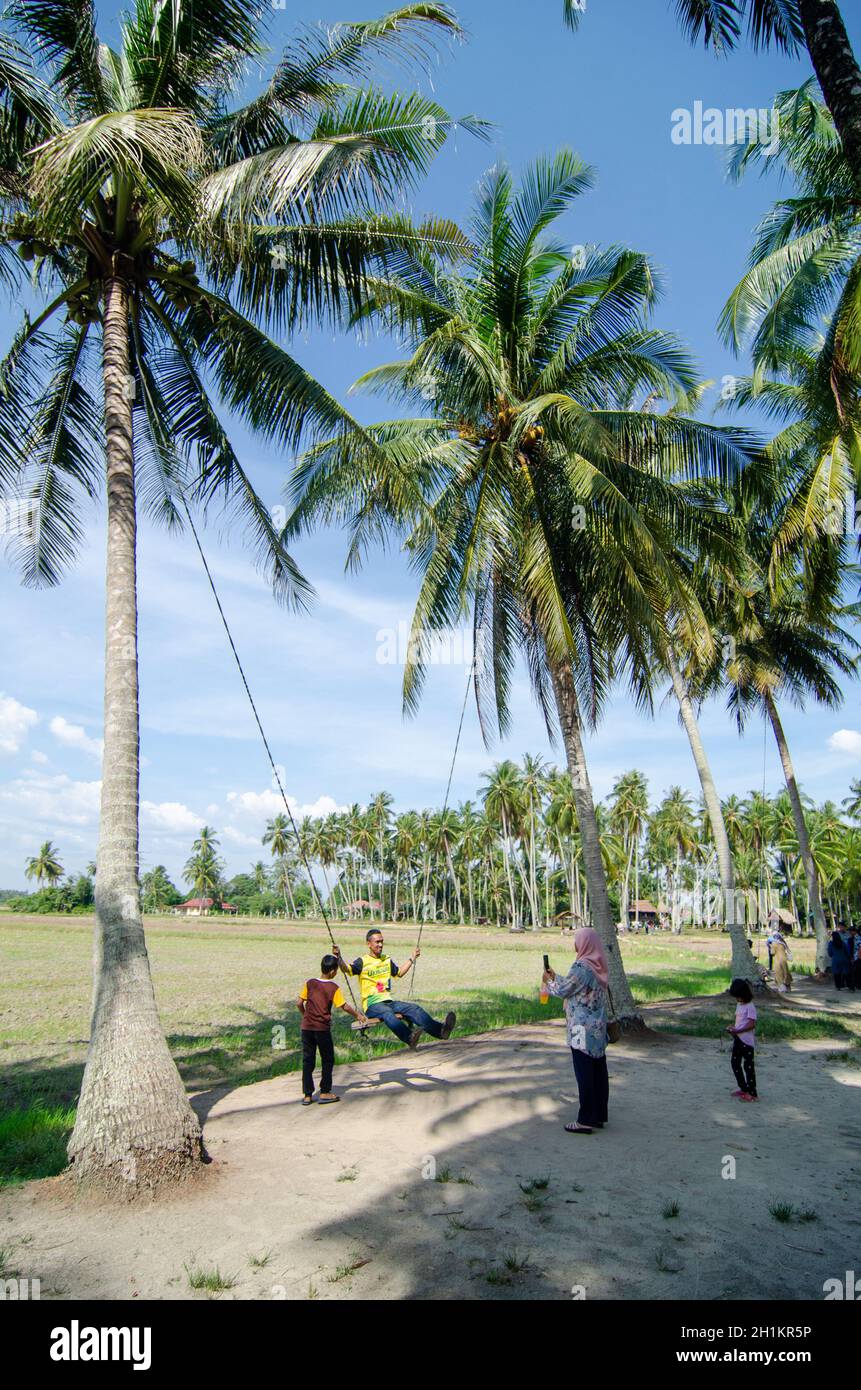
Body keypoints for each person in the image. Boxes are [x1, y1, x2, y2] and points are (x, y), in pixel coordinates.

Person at [334, 930, 456, 1048]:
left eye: (382, 941)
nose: (380, 945)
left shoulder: (386, 960)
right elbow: (347, 969)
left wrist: (412, 958)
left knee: (414, 1008)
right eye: (377, 942)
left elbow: (399, 973)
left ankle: (441, 1031)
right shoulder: (363, 961)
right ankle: (409, 1037)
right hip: (372, 1005)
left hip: (388, 1002)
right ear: (369, 944)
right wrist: (339, 957)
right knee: (387, 1013)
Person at [542, 927, 609, 1135]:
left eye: (577, 940)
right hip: (597, 1027)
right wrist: (558, 976)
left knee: (584, 1073)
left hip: (581, 1028)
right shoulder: (598, 964)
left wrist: (549, 982)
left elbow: (564, 991)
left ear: (584, 943)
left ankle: (585, 1119)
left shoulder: (582, 966)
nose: (575, 944)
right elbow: (577, 987)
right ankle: (598, 1115)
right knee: (598, 1070)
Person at [297, 953, 367, 1105]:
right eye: (336, 970)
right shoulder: (333, 987)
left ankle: (307, 1095)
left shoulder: (310, 983)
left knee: (308, 1060)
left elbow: (299, 1002)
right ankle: (325, 1092)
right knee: (328, 1059)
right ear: (332, 971)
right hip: (322, 1029)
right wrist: (358, 1015)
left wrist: (305, 1016)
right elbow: (344, 1006)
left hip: (307, 1028)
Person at [726, 978, 758, 1102]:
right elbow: (740, 1022)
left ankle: (752, 1093)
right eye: (736, 998)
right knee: (735, 1064)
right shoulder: (739, 1005)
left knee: (748, 1067)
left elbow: (751, 1024)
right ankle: (743, 1088)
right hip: (738, 1039)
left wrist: (738, 1031)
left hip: (747, 1041)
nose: (738, 1000)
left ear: (745, 994)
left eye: (739, 997)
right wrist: (733, 1029)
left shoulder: (750, 1006)